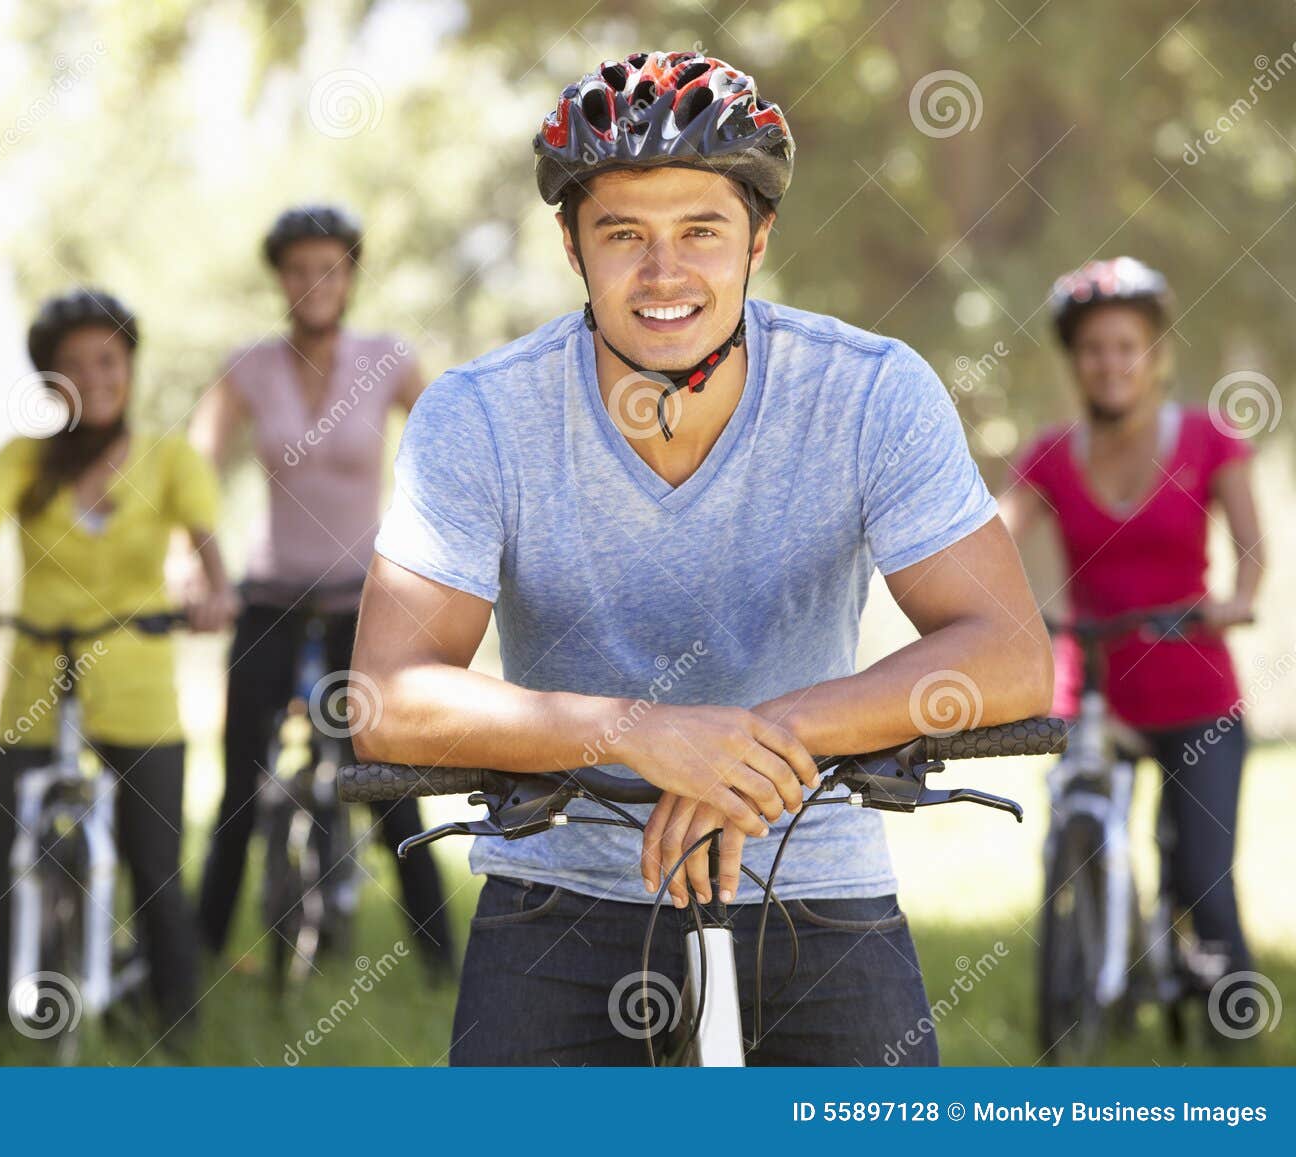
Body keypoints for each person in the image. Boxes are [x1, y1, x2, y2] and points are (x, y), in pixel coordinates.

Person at [349, 51, 1054, 1065]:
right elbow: (384, 698)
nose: (664, 272)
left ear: (758, 237)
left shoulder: (869, 391)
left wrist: (760, 741)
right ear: (570, 245)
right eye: (624, 235)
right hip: (560, 889)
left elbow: (1009, 655)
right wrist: (638, 730)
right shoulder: (479, 413)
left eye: (701, 231)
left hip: (811, 884)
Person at [0, 288, 235, 1040]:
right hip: (37, 681)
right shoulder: (25, 458)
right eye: (72, 366)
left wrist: (216, 594)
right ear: (50, 382)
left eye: (108, 360)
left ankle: (175, 1031)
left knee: (156, 869)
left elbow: (209, 547)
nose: (94, 376)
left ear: (130, 367)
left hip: (139, 686)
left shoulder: (169, 458)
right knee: (10, 864)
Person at [191, 206, 454, 977]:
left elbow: (450, 443)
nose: (314, 283)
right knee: (239, 783)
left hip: (361, 601)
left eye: (329, 268)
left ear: (349, 277)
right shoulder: (248, 367)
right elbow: (194, 468)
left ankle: (443, 964)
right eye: (299, 269)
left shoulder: (386, 357)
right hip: (268, 595)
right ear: (280, 278)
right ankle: (199, 958)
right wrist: (195, 560)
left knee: (385, 780)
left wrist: (438, 547)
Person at [1000, 257, 1263, 1004]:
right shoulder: (1049, 454)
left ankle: (1231, 1018)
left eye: (1127, 346)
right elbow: (994, 533)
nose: (1110, 363)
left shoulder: (1209, 439)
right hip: (1095, 694)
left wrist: (1239, 598)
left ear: (1157, 355)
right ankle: (1093, 975)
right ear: (1075, 362)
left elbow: (1252, 547)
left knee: (1203, 882)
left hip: (1196, 693)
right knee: (1079, 851)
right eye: (1092, 349)